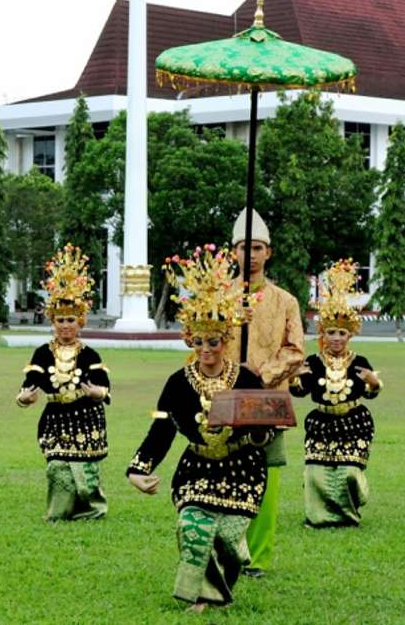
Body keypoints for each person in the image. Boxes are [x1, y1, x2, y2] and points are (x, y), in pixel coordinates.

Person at [126, 245, 274, 613]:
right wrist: (138, 469)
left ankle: (225, 576)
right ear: (189, 339)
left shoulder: (246, 379)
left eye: (214, 341)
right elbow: (162, 428)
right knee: (192, 527)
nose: (206, 349)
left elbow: (266, 430)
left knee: (228, 538)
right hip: (197, 467)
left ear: (226, 340)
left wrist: (258, 431)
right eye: (199, 341)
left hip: (242, 469)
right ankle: (204, 596)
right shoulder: (178, 382)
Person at [227, 210, 305, 577]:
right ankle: (228, 549)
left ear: (268, 252)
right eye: (244, 248)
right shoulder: (218, 297)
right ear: (234, 252)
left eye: (257, 248)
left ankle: (257, 558)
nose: (251, 255)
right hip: (224, 396)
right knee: (224, 474)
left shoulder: (285, 301)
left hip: (269, 399)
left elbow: (295, 350)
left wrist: (262, 373)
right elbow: (195, 339)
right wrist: (228, 320)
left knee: (267, 479)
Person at [15, 244, 112, 521]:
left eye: (71, 319)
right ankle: (58, 513)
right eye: (60, 320)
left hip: (87, 416)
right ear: (52, 321)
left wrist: (98, 392)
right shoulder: (42, 353)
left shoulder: (90, 354)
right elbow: (29, 383)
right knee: (58, 466)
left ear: (80, 322)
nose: (65, 325)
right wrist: (23, 398)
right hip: (56, 417)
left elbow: (103, 384)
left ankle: (91, 510)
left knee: (86, 470)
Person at [289, 259, 381, 527]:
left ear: (350, 335)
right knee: (315, 474)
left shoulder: (359, 360)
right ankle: (318, 517)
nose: (336, 338)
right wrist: (294, 378)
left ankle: (347, 515)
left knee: (349, 473)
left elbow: (371, 391)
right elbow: (300, 392)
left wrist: (374, 383)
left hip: (354, 422)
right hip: (322, 422)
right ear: (323, 334)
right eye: (331, 332)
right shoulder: (314, 362)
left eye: (342, 333)